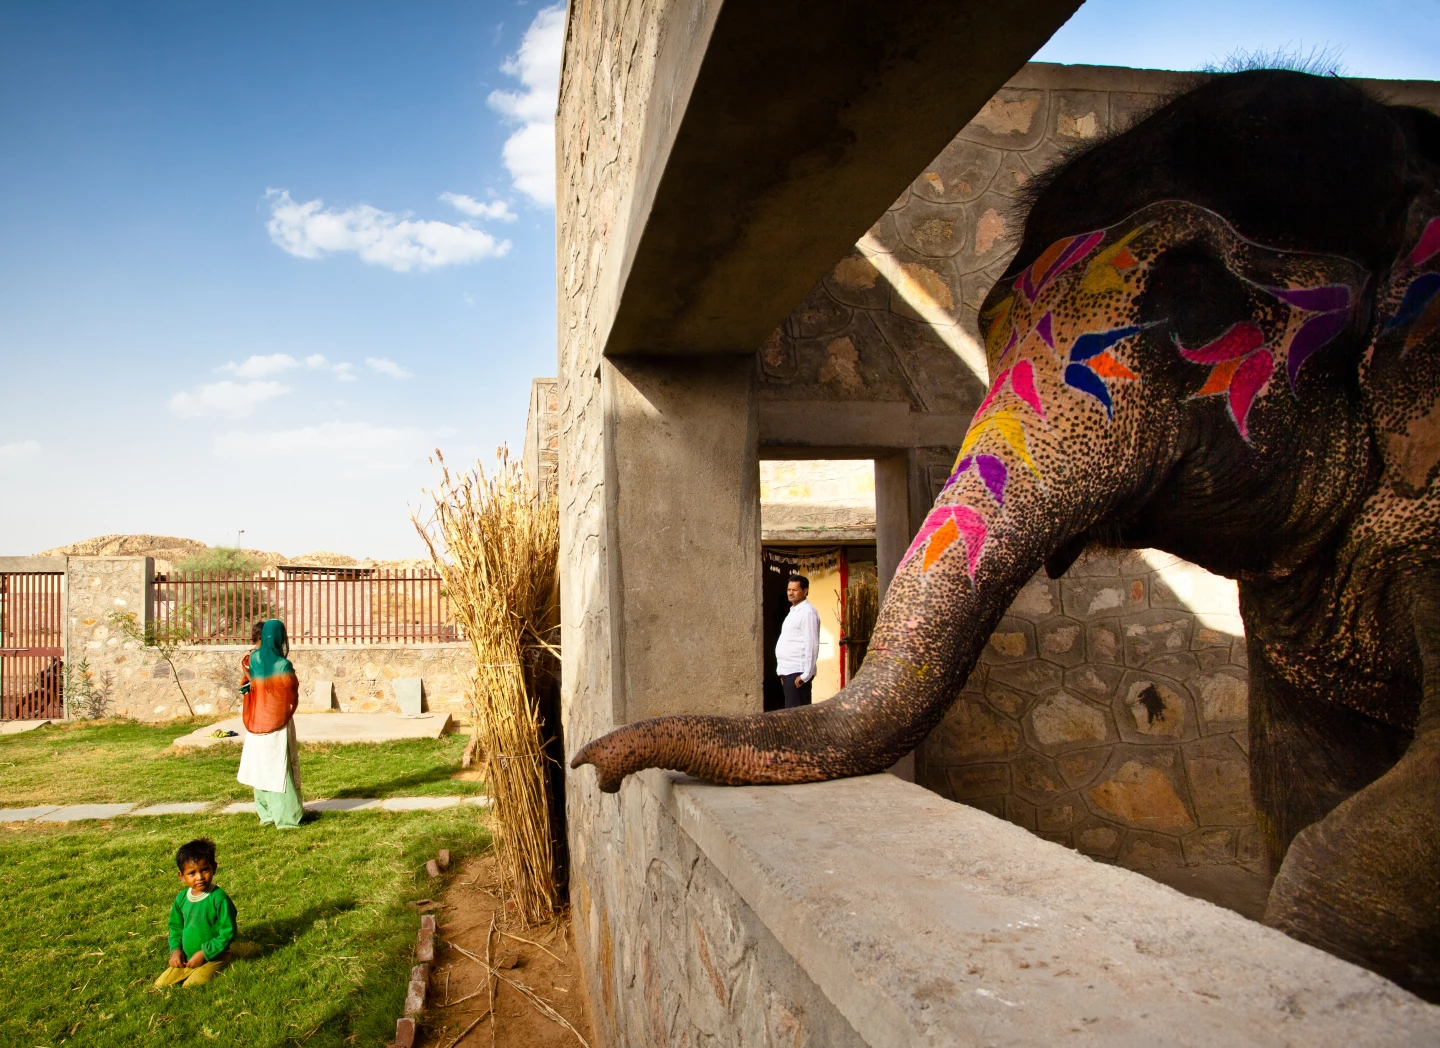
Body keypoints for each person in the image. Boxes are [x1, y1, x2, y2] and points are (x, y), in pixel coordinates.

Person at [237, 619, 304, 828]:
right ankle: (286, 817)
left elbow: (252, 682)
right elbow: (290, 690)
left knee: (260, 768)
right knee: (279, 768)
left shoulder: (253, 659)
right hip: (277, 722)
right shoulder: (282, 665)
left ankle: (266, 814)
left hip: (256, 720)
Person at [154, 838, 237, 988]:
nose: (199, 877)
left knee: (192, 985)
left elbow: (228, 932)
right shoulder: (181, 899)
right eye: (192, 873)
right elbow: (176, 928)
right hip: (188, 957)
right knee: (161, 984)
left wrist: (204, 953)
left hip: (214, 956)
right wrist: (176, 950)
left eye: (204, 870)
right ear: (181, 876)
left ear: (214, 868)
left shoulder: (219, 899)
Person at [775, 574, 820, 708]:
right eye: (789, 590)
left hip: (798, 673)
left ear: (805, 591)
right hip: (788, 671)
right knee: (792, 717)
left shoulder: (808, 612)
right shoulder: (794, 611)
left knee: (799, 719)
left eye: (795, 590)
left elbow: (812, 645)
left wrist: (806, 675)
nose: (790, 593)